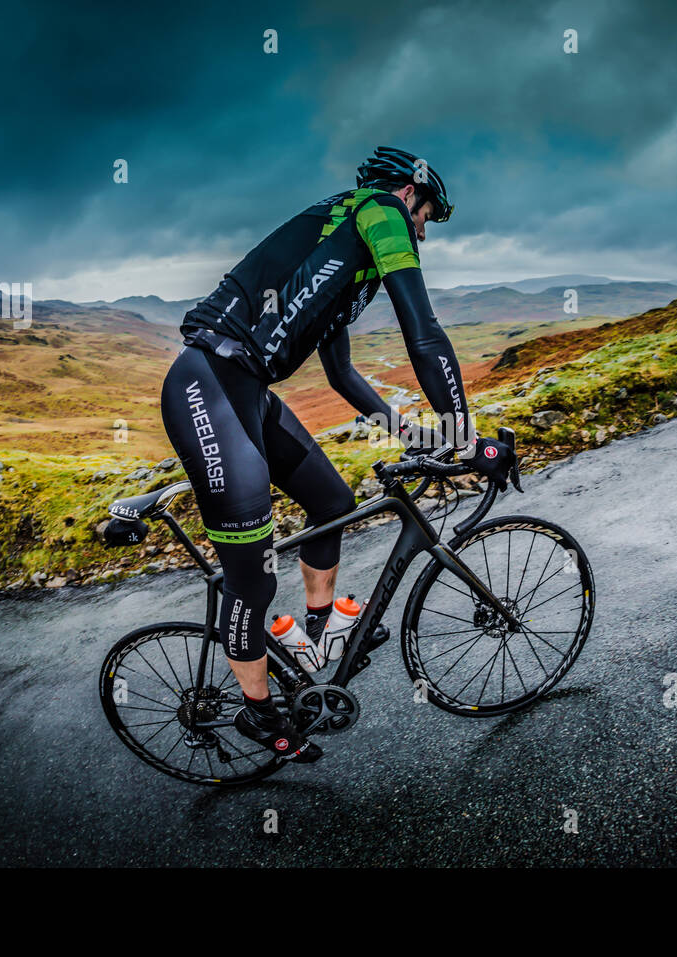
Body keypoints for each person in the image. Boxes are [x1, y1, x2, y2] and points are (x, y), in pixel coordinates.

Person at [162, 147, 514, 762]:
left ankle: (318, 637)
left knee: (332, 499)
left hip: (246, 391)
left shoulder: (344, 250)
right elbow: (423, 331)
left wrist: (418, 437)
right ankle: (256, 711)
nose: (424, 231)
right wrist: (465, 436)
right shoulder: (380, 213)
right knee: (254, 580)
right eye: (428, 216)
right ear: (411, 193)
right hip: (209, 386)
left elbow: (344, 377)